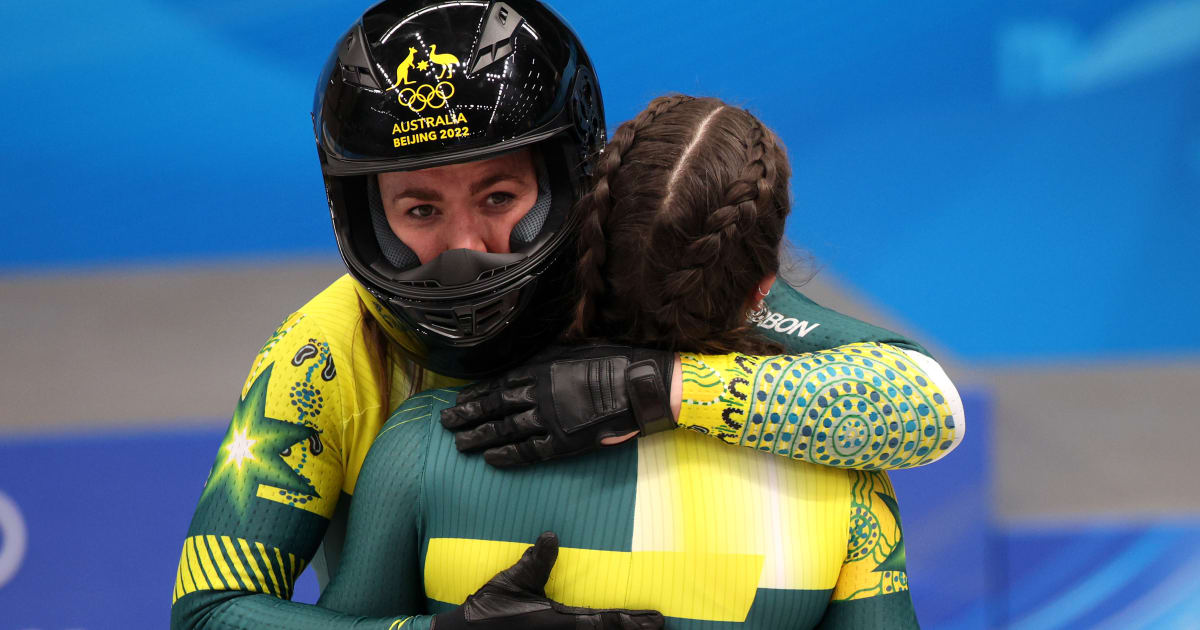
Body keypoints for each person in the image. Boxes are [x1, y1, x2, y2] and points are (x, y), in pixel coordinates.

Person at [170, 1, 964, 628]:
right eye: (418, 208)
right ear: (362, 216)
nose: (466, 246)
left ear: (570, 173)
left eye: (499, 196)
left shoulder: (634, 272)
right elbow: (208, 615)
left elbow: (924, 402)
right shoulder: (325, 353)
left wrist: (663, 386)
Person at [315, 96, 923, 629]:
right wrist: (664, 388)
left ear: (580, 237)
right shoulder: (846, 484)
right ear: (761, 288)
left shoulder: (422, 444)